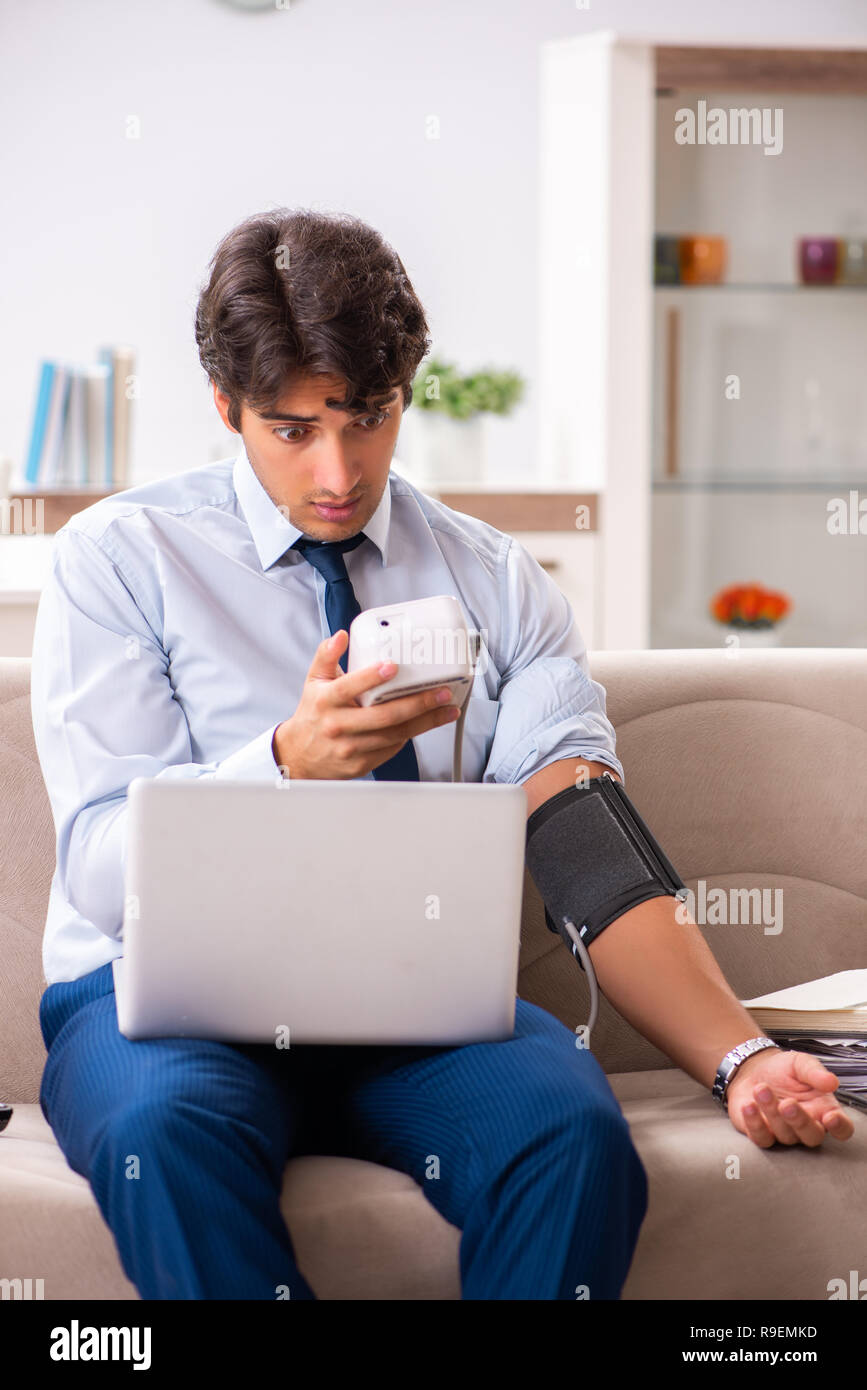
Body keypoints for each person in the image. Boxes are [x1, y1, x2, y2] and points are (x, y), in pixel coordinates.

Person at [32, 208, 854, 1303]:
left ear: (405, 393)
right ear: (225, 406)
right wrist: (287, 763)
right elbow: (100, 870)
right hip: (161, 1008)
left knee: (569, 1138)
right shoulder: (120, 559)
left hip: (411, 1001)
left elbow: (580, 841)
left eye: (367, 418)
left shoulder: (498, 580)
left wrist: (741, 1058)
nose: (337, 470)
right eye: (291, 429)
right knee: (164, 1134)